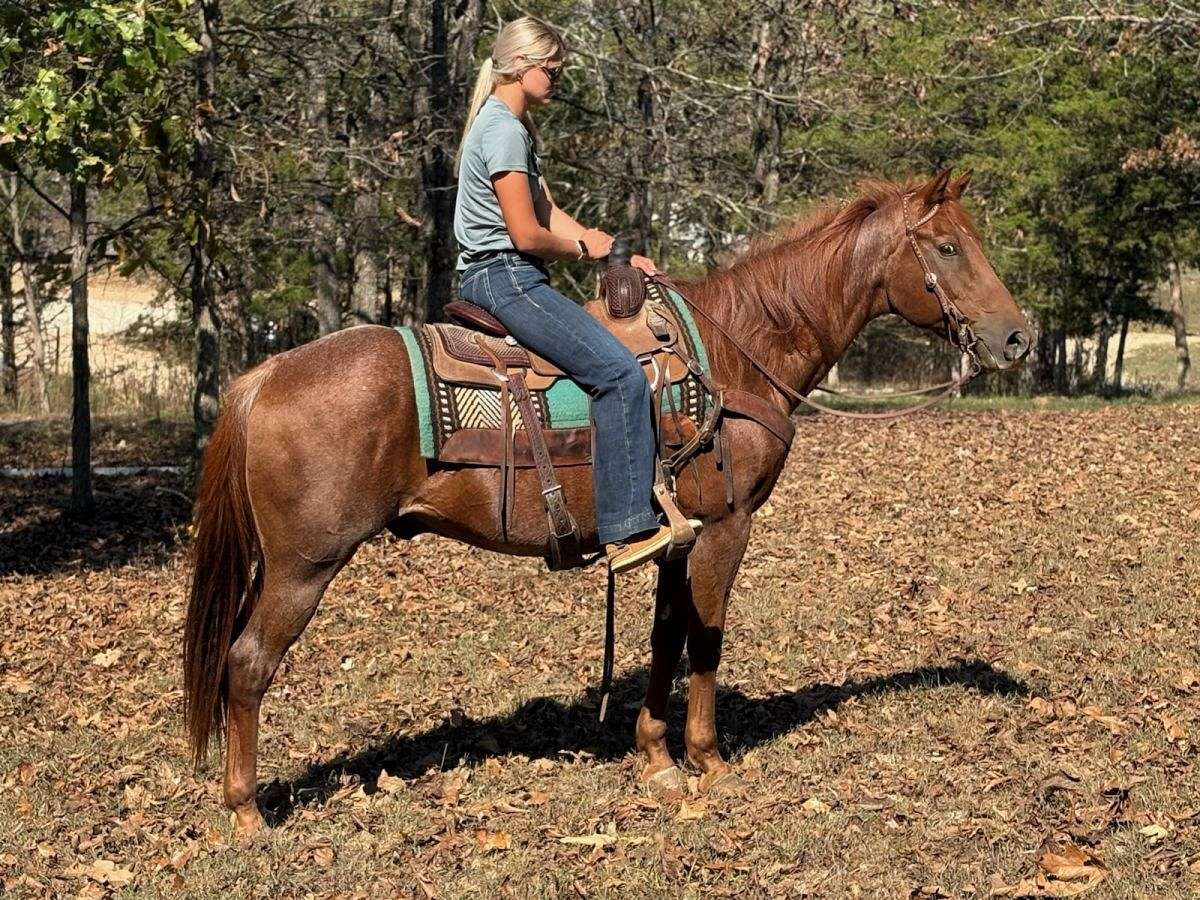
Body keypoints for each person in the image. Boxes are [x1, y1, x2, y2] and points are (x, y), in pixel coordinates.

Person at [453, 16, 687, 573]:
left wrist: (615, 255)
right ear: (521, 65)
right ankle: (626, 528)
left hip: (505, 274)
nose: (557, 79)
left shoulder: (510, 126)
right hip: (507, 277)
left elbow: (548, 212)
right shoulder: (503, 130)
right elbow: (526, 235)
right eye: (551, 69)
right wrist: (582, 252)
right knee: (619, 374)